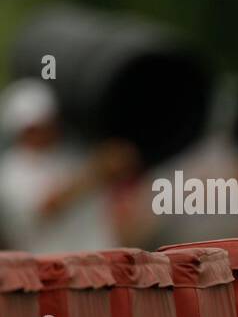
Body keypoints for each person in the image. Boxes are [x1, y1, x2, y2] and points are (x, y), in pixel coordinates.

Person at [0, 78, 137, 252]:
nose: (45, 130)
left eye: (48, 122)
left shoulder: (74, 152)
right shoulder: (12, 171)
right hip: (51, 272)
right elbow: (47, 207)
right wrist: (97, 170)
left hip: (101, 265)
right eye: (36, 126)